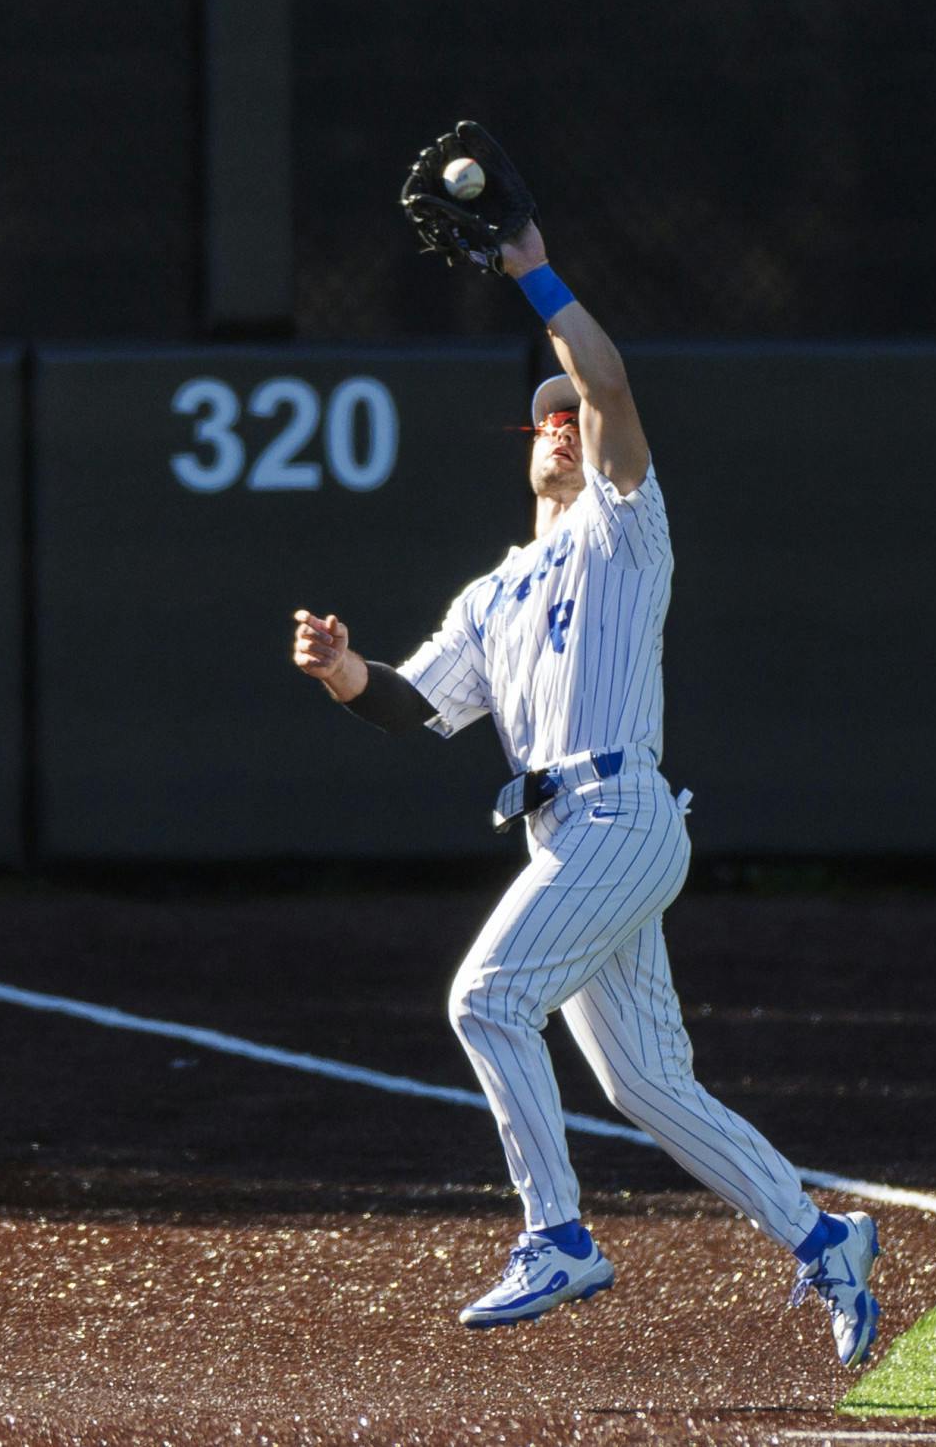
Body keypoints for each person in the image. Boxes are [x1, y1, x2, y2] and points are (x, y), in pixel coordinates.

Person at [287, 216, 881, 1367]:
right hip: (564, 829)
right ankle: (822, 1238)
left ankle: (556, 1234)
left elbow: (605, 376)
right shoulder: (489, 593)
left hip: (621, 813)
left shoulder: (622, 526)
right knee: (647, 1085)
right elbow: (413, 704)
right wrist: (339, 671)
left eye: (572, 417)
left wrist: (529, 271)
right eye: (543, 421)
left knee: (483, 1002)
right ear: (521, 448)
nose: (561, 427)